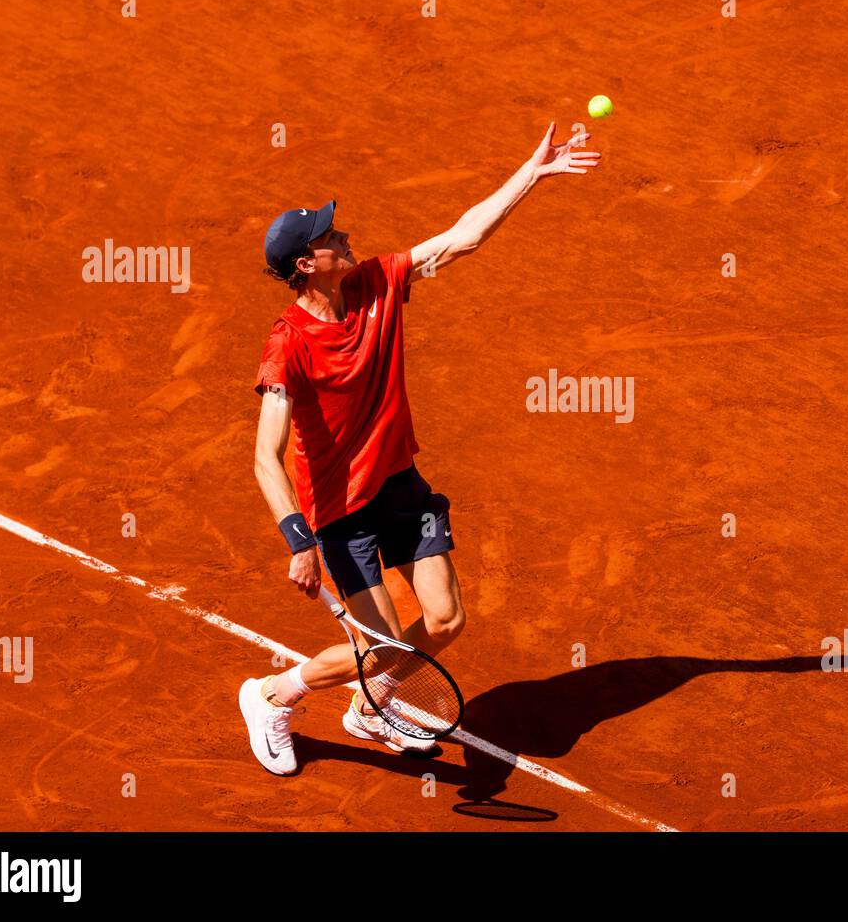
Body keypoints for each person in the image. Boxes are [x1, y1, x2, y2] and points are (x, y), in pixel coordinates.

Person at [239, 123, 601, 774]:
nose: (345, 237)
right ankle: (271, 694)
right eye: (329, 238)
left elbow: (463, 237)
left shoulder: (377, 283)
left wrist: (532, 172)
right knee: (377, 648)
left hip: (398, 482)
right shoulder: (287, 344)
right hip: (340, 514)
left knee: (446, 616)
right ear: (305, 265)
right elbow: (266, 454)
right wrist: (298, 538)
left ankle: (370, 706)